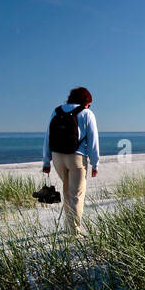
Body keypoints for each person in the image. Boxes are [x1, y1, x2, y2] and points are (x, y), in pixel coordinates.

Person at [42, 86, 100, 232]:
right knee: (76, 195)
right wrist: (95, 164)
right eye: (89, 103)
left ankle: (69, 227)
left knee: (67, 191)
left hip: (57, 158)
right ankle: (74, 231)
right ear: (85, 101)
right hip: (76, 158)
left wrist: (46, 161)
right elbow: (93, 141)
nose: (89, 106)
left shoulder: (57, 111)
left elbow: (48, 137)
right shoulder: (87, 114)